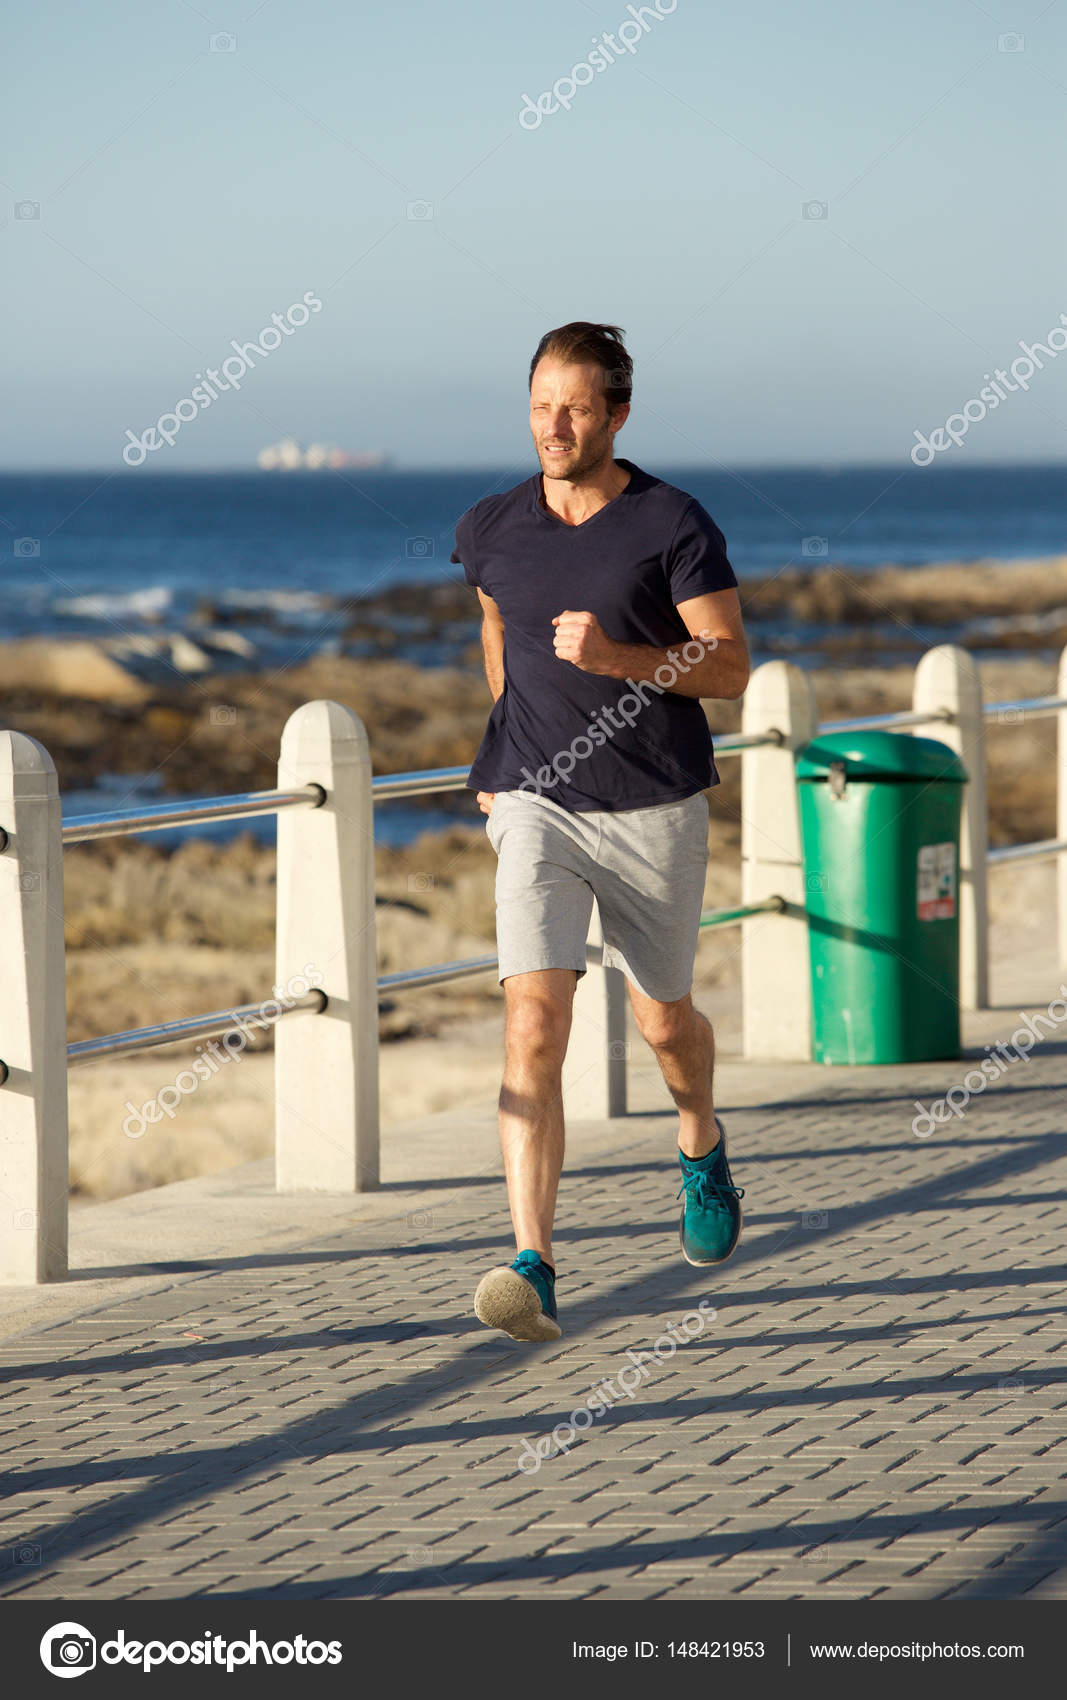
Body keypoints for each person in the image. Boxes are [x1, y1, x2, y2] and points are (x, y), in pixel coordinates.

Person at [449, 322, 750, 1343]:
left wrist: (623, 656)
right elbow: (496, 620)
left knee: (664, 1024)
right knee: (532, 1023)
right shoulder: (490, 524)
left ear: (617, 413)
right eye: (539, 404)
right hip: (534, 800)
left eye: (574, 406)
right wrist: (502, 741)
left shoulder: (671, 520)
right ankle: (531, 1262)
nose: (553, 425)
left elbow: (726, 663)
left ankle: (699, 1143)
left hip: (652, 804)